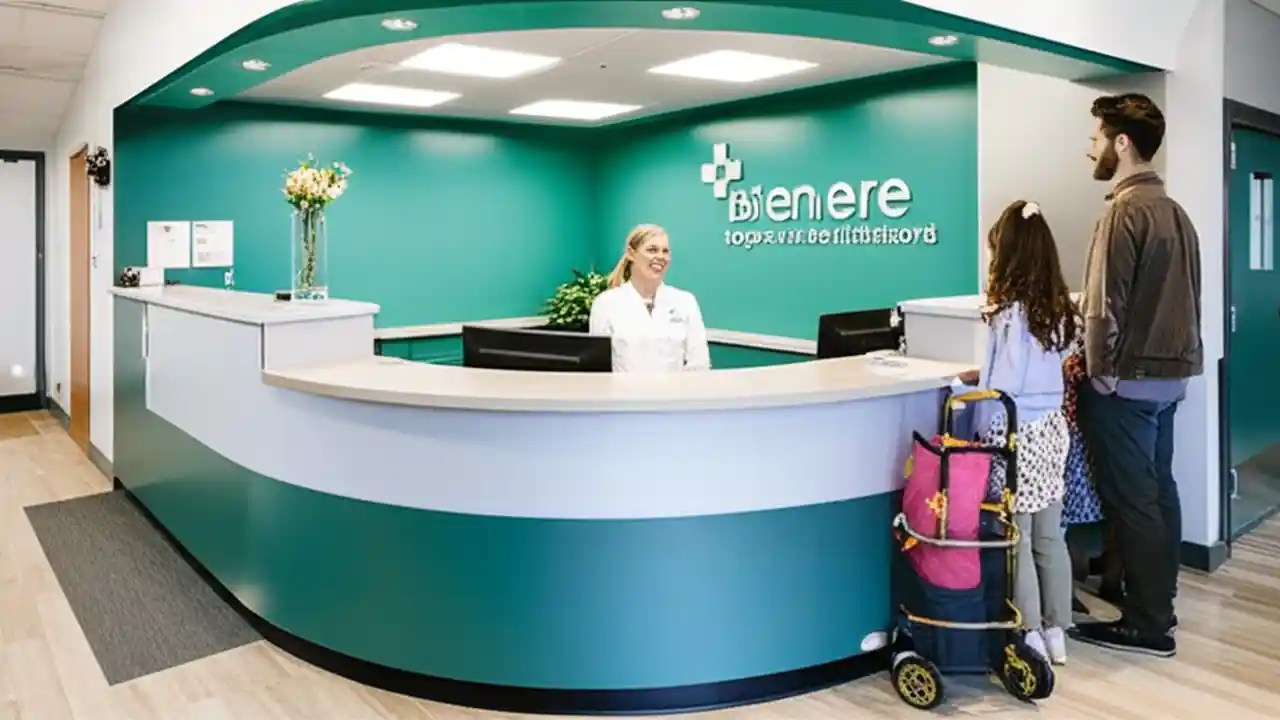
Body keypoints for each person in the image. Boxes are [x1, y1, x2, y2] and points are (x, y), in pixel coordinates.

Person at [1068, 93, 1202, 658]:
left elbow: (1103, 308)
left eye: (1096, 138)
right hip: (1171, 379)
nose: (1090, 148)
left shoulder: (1122, 212)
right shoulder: (1176, 213)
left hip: (1127, 382)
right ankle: (1158, 603)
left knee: (1134, 501)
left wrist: (1101, 376)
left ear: (1121, 143)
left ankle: (1148, 625)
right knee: (1159, 492)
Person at [953, 199, 1078, 665]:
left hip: (1016, 435)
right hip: (1051, 430)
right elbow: (1042, 368)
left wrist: (973, 389)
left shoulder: (1008, 313)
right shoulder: (1060, 309)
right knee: (1050, 535)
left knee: (1017, 536)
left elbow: (1005, 386)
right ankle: (1057, 630)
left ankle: (1028, 632)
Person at [589, 224, 711, 373]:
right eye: (652, 250)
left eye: (665, 251)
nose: (660, 257)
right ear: (631, 254)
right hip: (625, 388)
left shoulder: (685, 302)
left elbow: (699, 363)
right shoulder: (606, 303)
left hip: (673, 388)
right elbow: (599, 369)